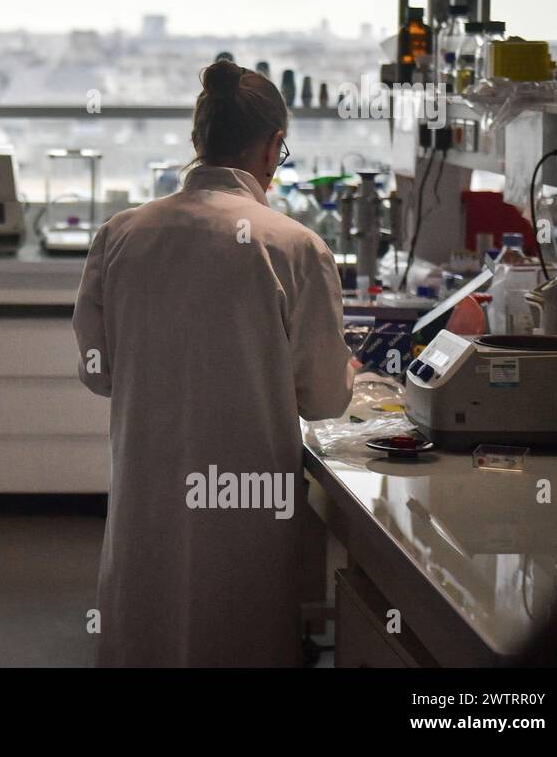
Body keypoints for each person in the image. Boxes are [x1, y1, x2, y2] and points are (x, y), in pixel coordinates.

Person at [73, 60, 354, 667]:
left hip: (148, 493)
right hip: (246, 499)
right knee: (238, 632)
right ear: (274, 145)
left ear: (198, 141)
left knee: (145, 629)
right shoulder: (296, 247)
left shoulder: (120, 235)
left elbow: (99, 372)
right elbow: (326, 400)